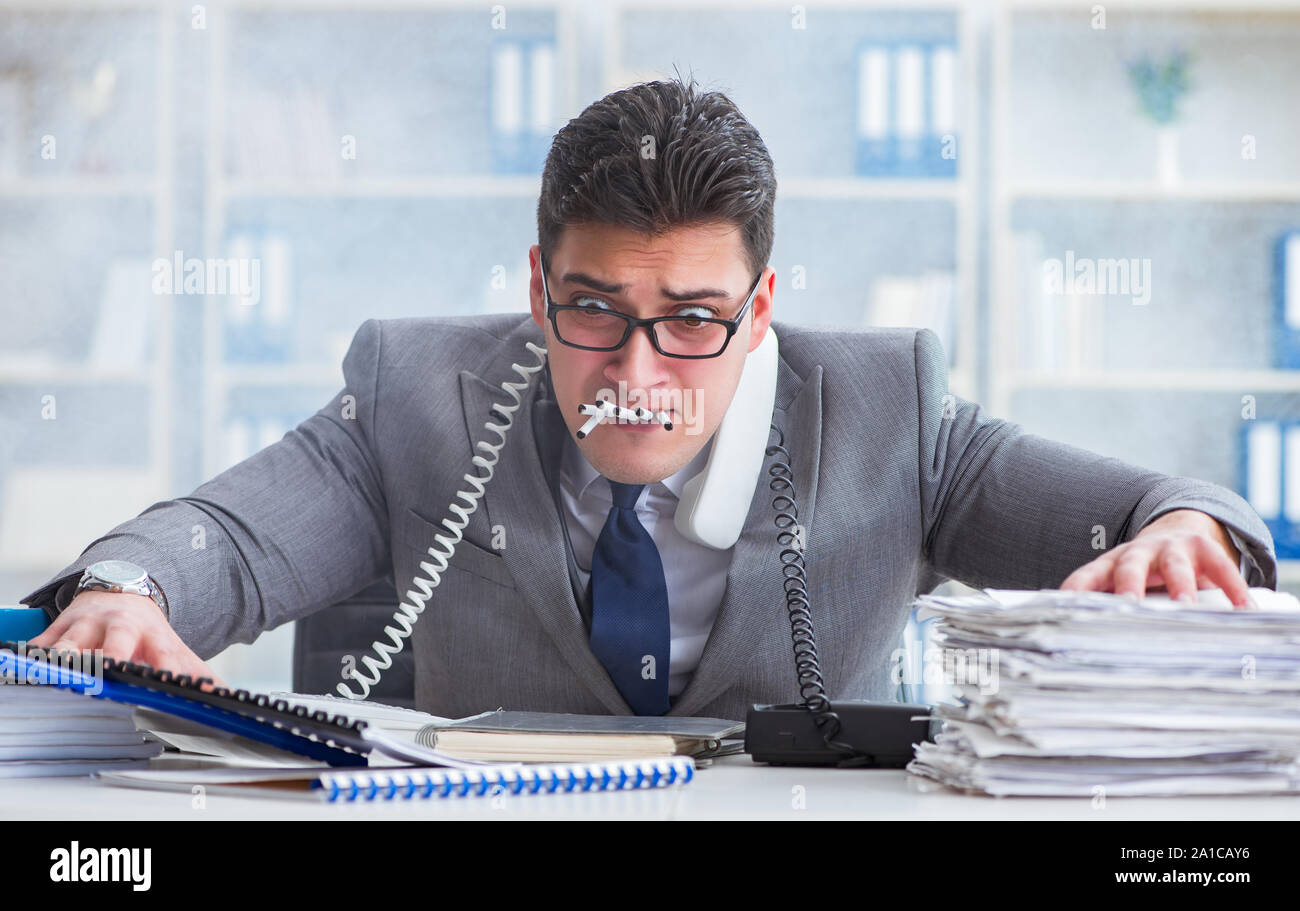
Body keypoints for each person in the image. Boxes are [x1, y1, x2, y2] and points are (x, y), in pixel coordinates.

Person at [22, 76, 1276, 719]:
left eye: (690, 323)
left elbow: (1166, 507)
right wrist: (128, 590)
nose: (634, 376)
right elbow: (225, 538)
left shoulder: (886, 405)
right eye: (591, 312)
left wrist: (1187, 534)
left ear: (760, 307)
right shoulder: (417, 390)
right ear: (536, 286)